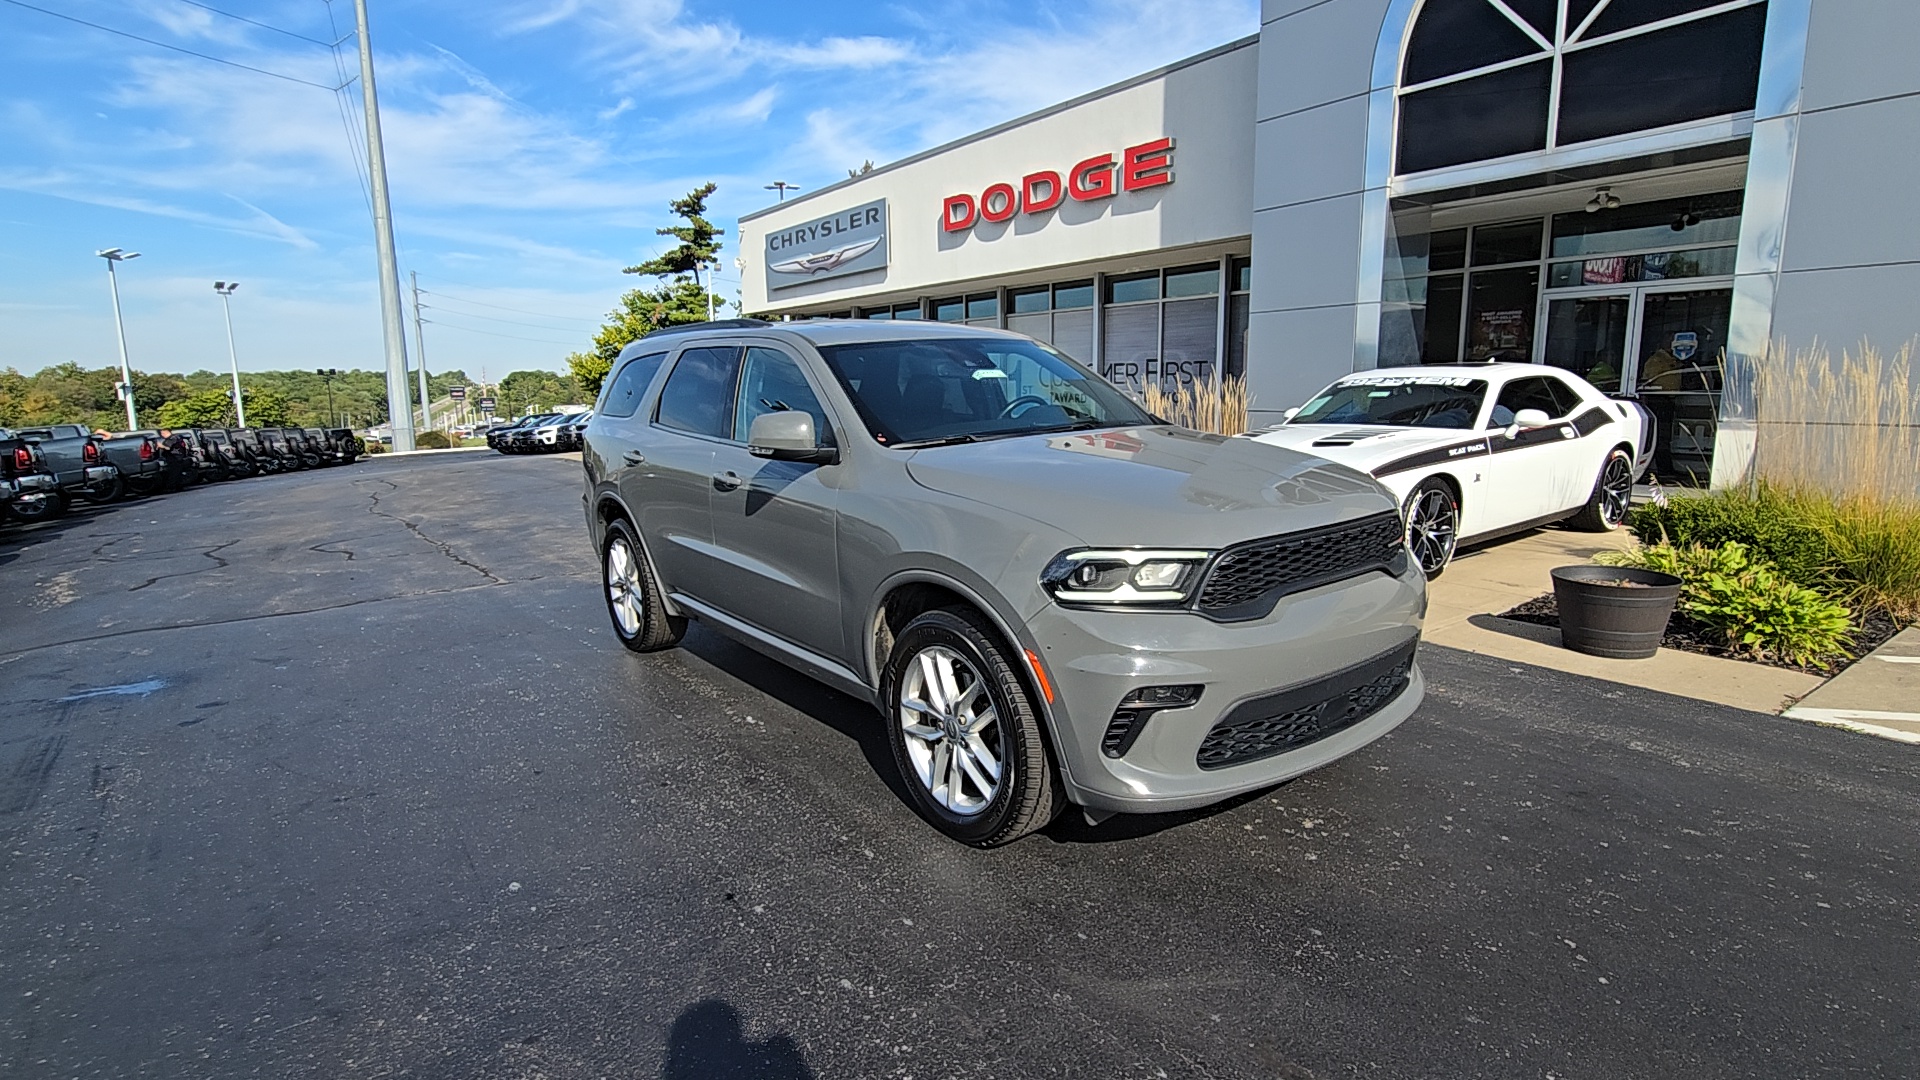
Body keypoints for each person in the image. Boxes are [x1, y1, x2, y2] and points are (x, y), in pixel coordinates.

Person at [157, 427, 192, 493]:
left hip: (175, 458)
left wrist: (160, 446)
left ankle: (172, 488)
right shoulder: (175, 438)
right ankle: (178, 486)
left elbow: (168, 448)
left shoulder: (172, 438)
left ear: (166, 432)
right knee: (176, 473)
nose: (162, 435)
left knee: (173, 473)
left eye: (162, 433)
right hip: (175, 457)